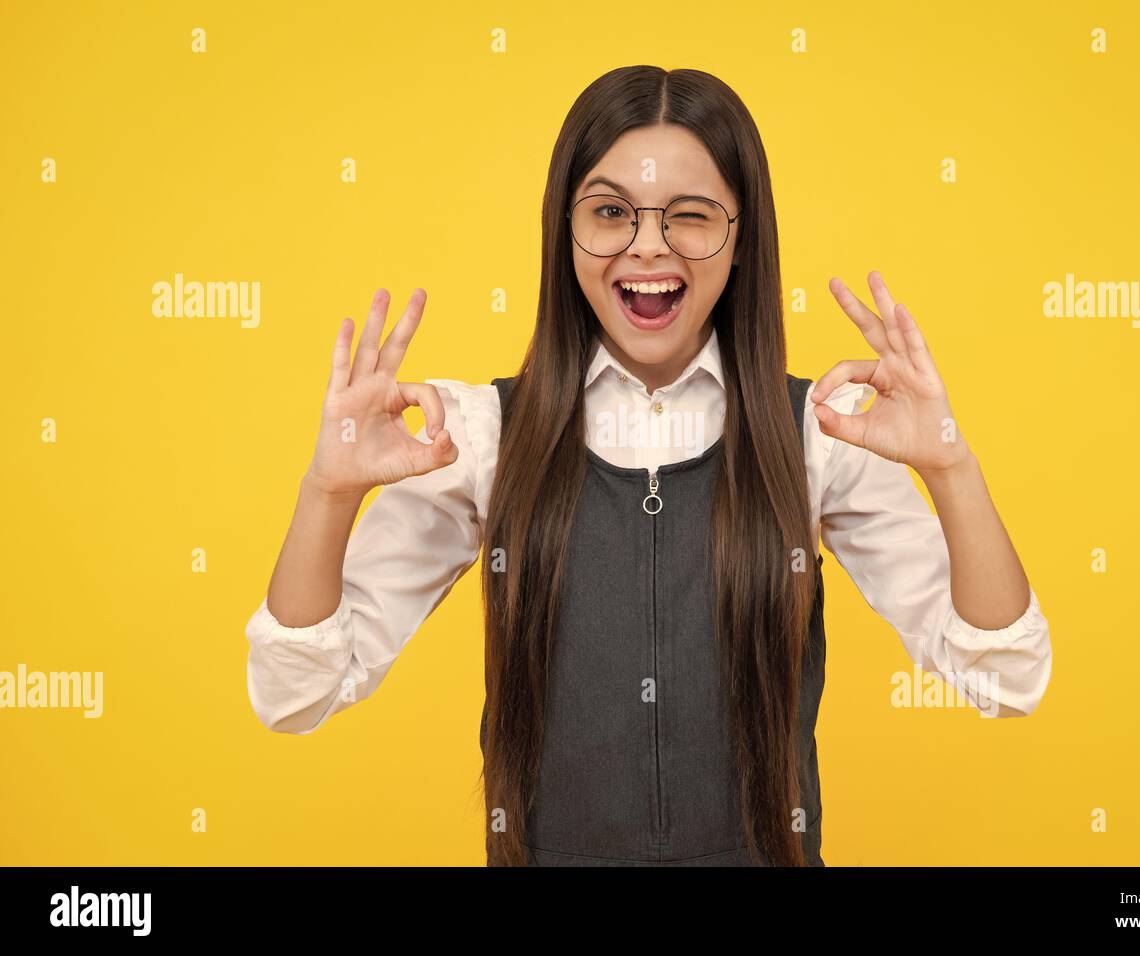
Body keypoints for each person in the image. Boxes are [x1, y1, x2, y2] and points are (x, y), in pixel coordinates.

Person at [244, 65, 1052, 867]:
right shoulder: (481, 436)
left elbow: (1005, 680)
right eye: (609, 212)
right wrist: (329, 493)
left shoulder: (817, 434)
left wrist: (951, 467)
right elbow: (295, 696)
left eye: (691, 217)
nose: (648, 246)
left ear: (742, 242)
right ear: (565, 234)